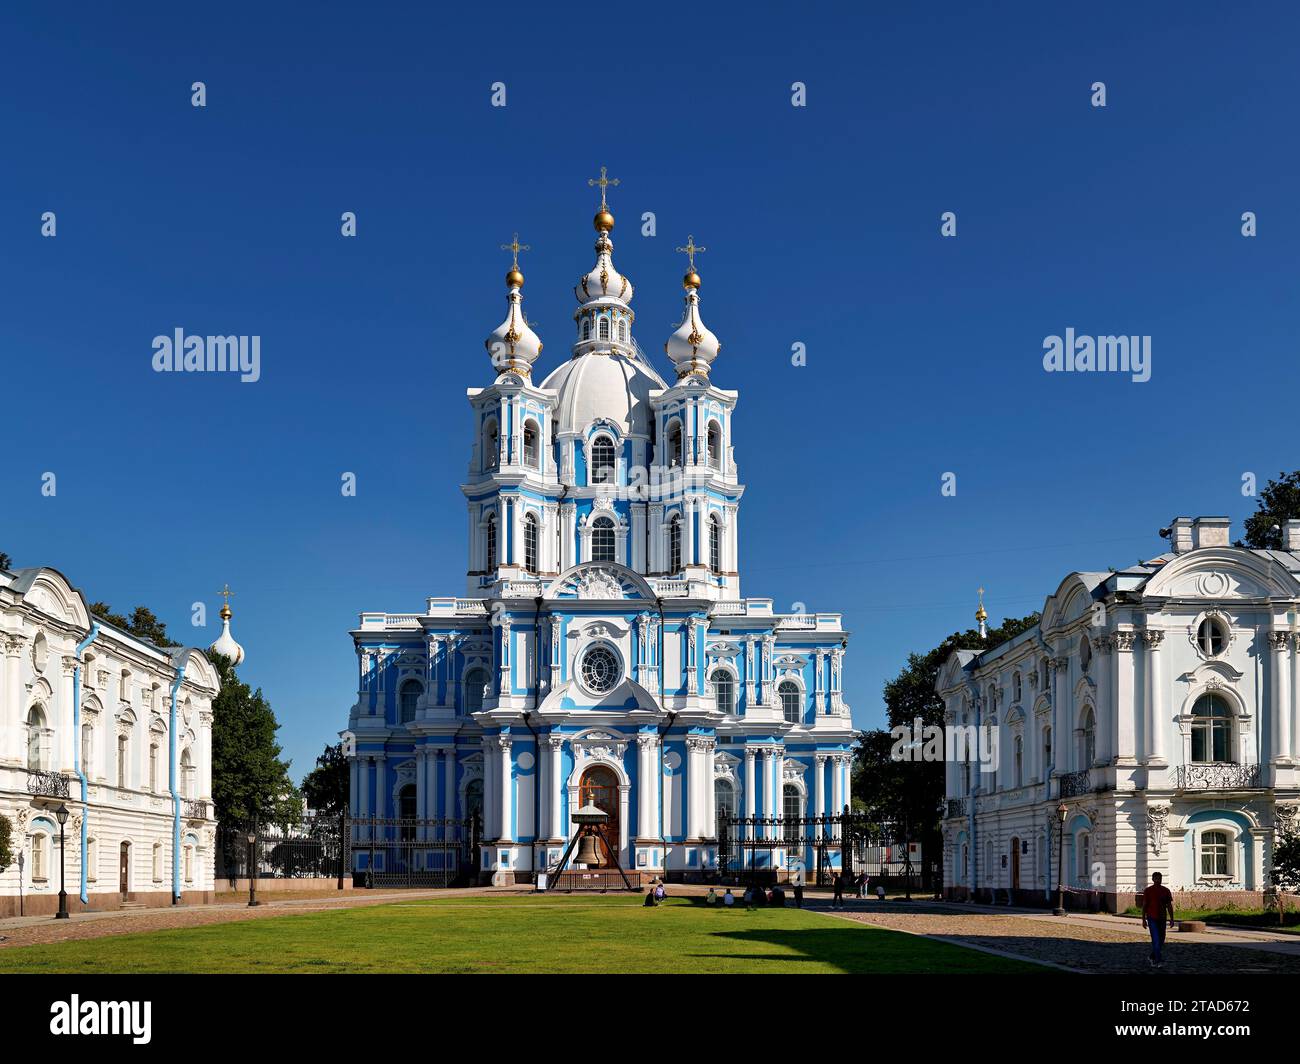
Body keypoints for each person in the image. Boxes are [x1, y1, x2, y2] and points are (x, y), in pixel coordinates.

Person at [1140, 871, 1175, 968]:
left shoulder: (1166, 891)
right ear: (1152, 879)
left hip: (1162, 918)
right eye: (1156, 878)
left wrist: (1172, 919)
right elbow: (1145, 905)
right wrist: (1143, 919)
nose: (1158, 880)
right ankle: (1157, 960)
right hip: (1152, 918)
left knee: (1161, 940)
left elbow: (1169, 905)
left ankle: (1152, 956)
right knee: (1155, 939)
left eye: (1159, 878)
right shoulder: (1148, 890)